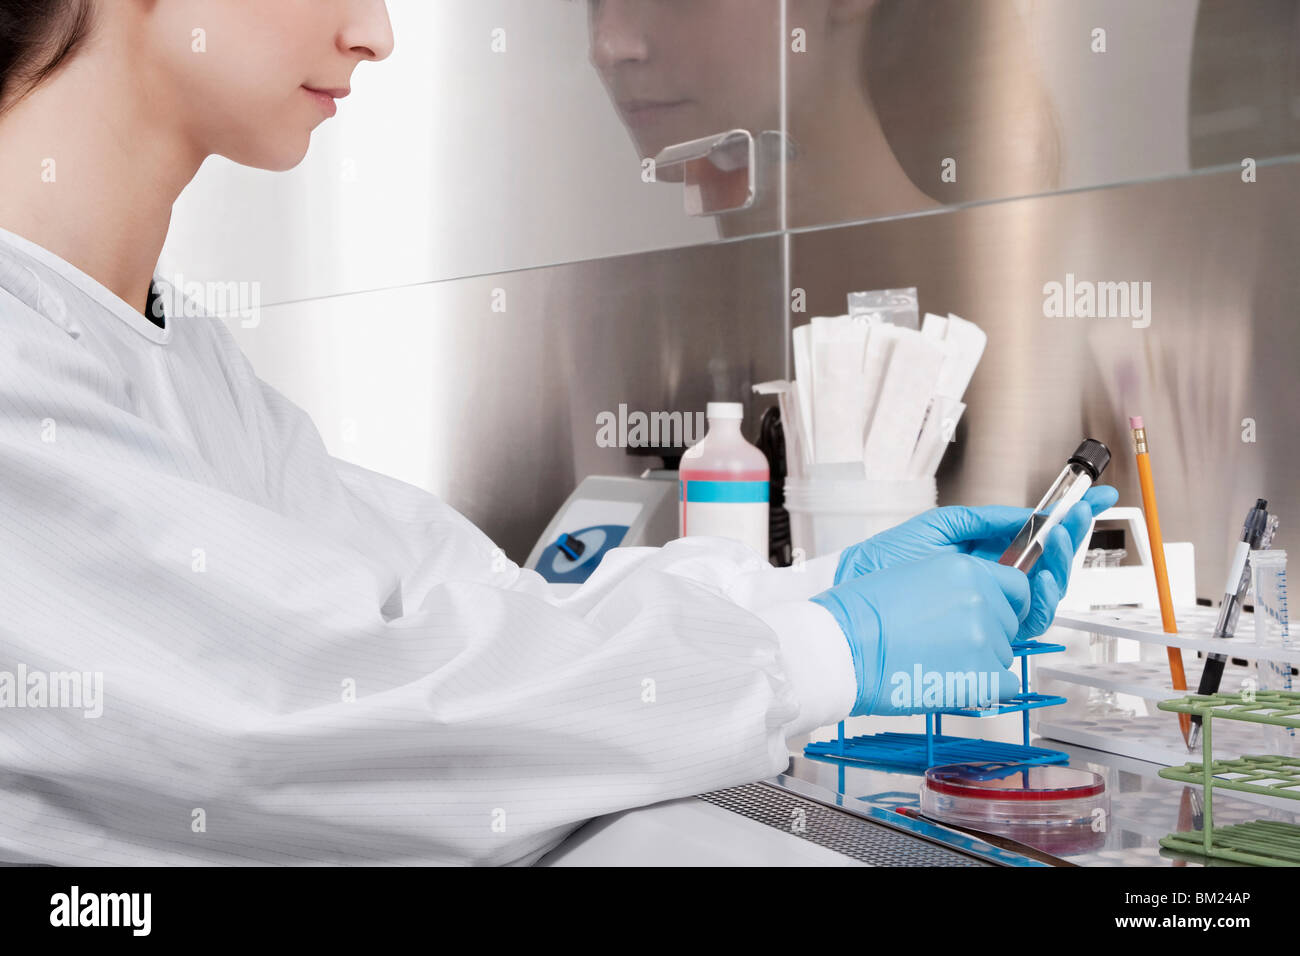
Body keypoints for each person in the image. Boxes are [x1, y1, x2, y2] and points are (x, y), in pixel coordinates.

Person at [0, 0, 1115, 865]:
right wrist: (827, 648)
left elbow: (455, 611)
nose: (374, 33)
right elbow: (314, 707)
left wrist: (814, 595)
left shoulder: (170, 352)